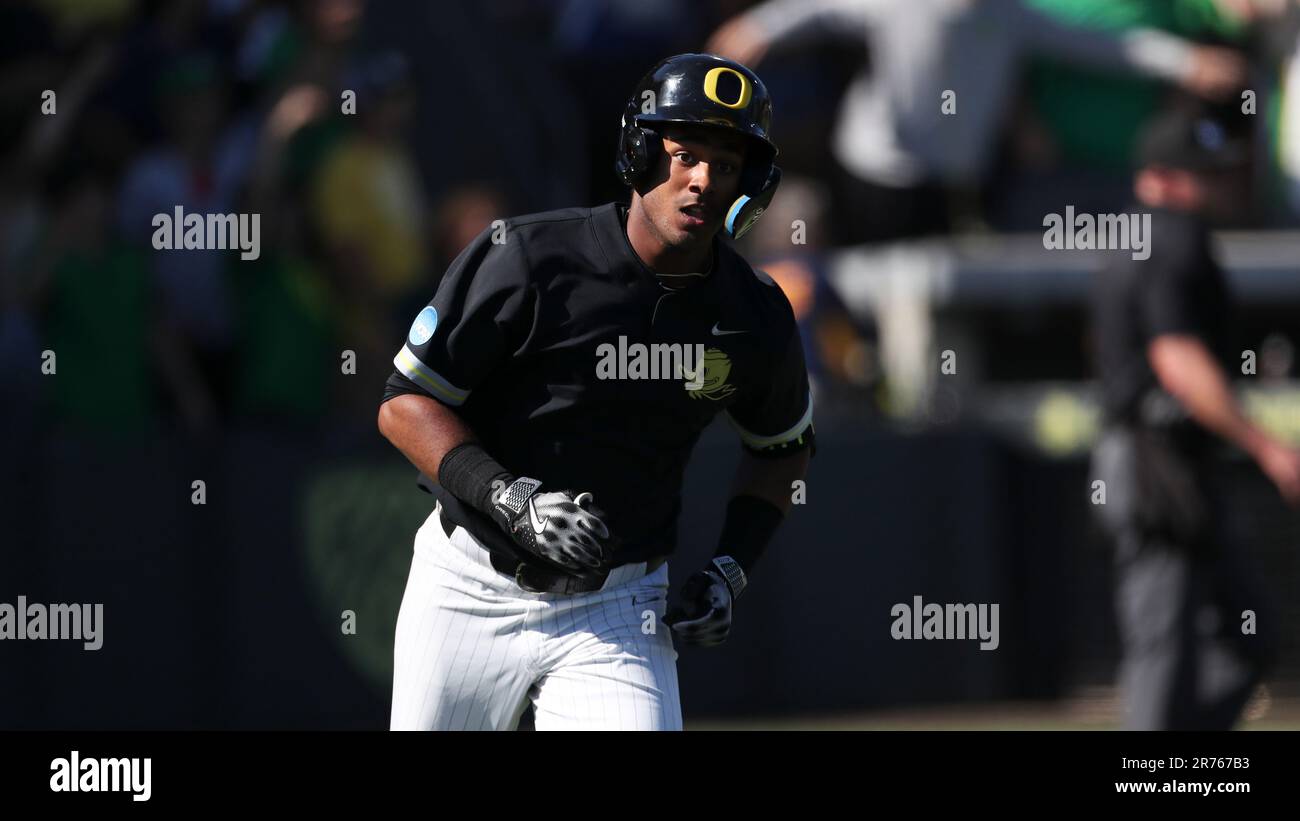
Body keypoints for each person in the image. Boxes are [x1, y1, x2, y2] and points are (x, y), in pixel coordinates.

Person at [379, 54, 815, 731]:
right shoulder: (526, 259)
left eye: (724, 166)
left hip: (617, 607)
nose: (701, 180)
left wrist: (732, 566)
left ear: (748, 184)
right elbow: (405, 402)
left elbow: (783, 447)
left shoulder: (752, 314)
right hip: (467, 585)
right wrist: (508, 495)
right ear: (640, 152)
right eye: (684, 155)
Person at [1090, 104, 1300, 730]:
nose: (1221, 184)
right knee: (1166, 650)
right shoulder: (1169, 236)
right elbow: (1176, 358)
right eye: (1205, 173)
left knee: (1247, 638)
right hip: (1156, 466)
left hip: (1166, 462)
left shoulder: (1139, 238)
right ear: (1164, 176)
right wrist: (1267, 446)